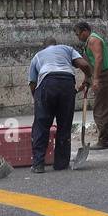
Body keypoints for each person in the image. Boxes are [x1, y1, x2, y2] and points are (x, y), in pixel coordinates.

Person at [27, 37, 93, 173]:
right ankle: (61, 164)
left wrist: (38, 100)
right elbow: (85, 65)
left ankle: (38, 164)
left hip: (47, 84)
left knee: (41, 126)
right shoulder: (67, 49)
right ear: (55, 45)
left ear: (44, 47)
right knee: (64, 125)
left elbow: (32, 83)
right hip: (67, 83)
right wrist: (88, 78)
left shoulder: (37, 56)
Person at [73, 21, 108, 150]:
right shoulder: (88, 44)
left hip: (105, 76)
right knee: (104, 109)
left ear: (85, 31)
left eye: (78, 34)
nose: (78, 37)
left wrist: (96, 79)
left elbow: (99, 59)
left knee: (100, 110)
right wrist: (86, 81)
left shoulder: (93, 40)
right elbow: (89, 64)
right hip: (101, 76)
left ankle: (105, 140)